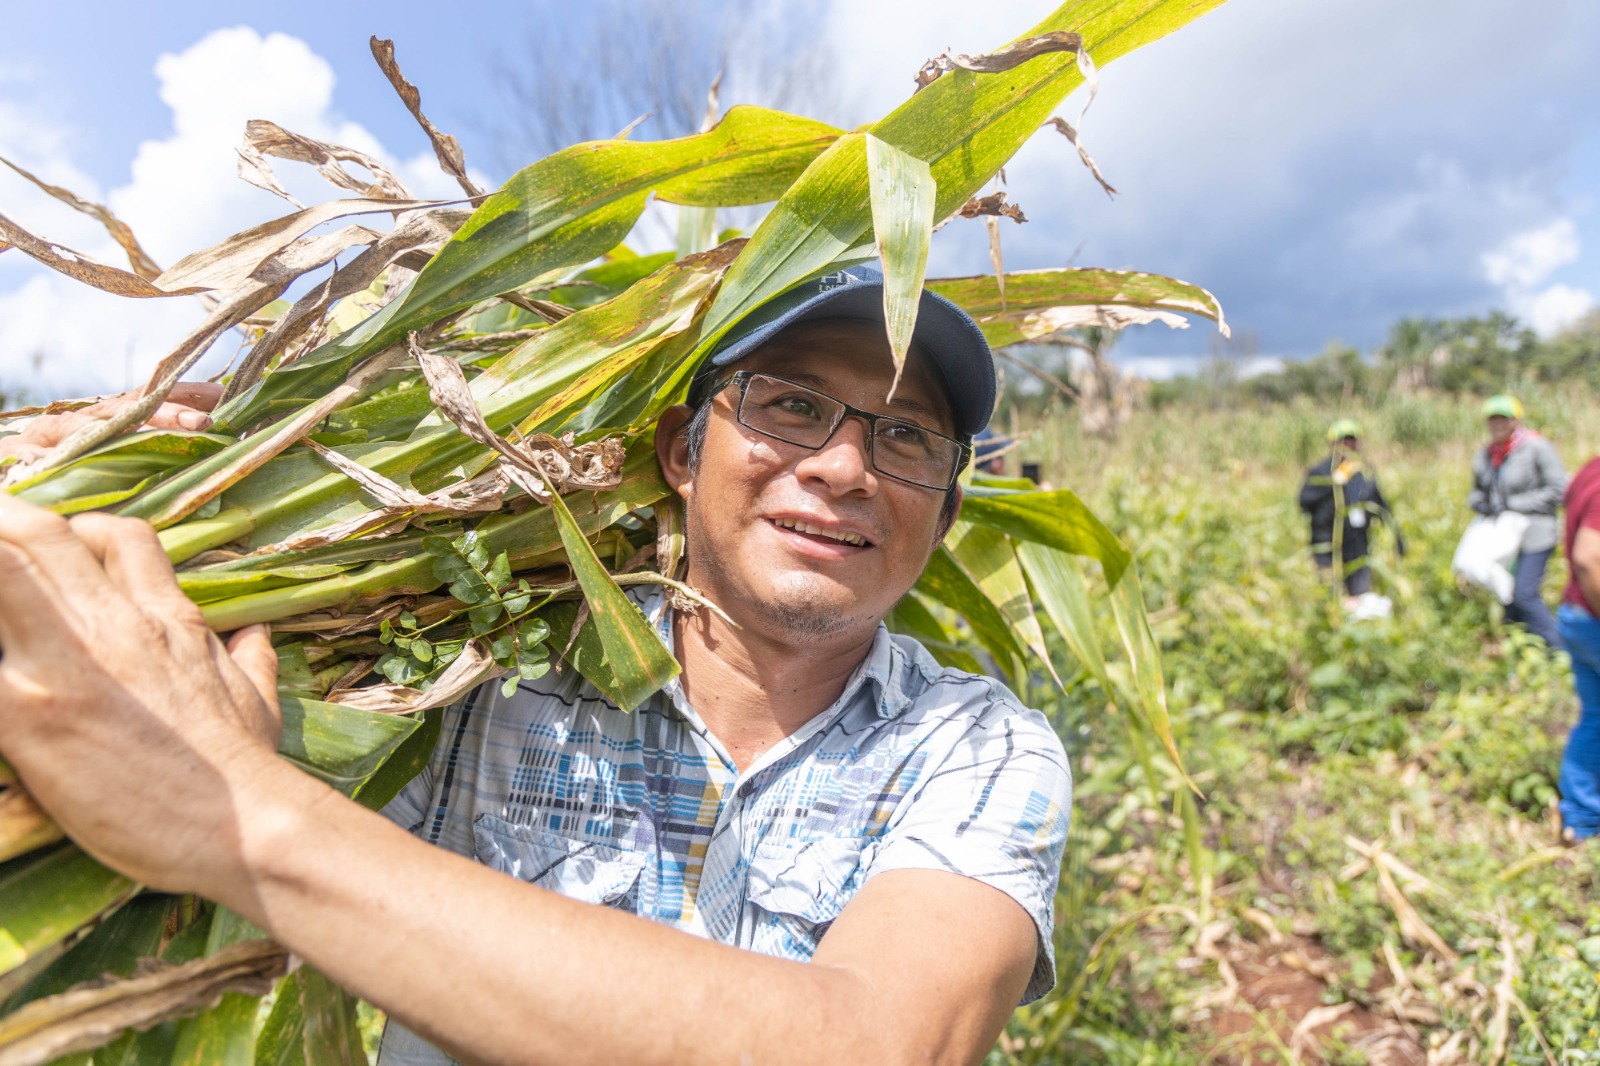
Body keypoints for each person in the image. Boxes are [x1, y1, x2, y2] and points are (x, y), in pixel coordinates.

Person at [0, 265, 1071, 1066]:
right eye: (790, 404)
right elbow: (108, 717)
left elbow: (883, 1046)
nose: (844, 467)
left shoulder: (976, 748)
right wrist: (132, 506)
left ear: (943, 510)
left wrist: (235, 816)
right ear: (681, 451)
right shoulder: (479, 665)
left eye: (907, 440)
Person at [1468, 394, 1567, 649]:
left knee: (1524, 593)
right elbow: (1478, 490)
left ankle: (1560, 650)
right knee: (1506, 595)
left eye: (1504, 418)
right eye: (1493, 419)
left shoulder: (1536, 448)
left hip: (1536, 533)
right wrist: (1480, 503)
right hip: (1503, 538)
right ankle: (1521, 652)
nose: (1498, 424)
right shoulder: (1486, 455)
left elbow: (1558, 489)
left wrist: (1515, 504)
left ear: (1515, 420)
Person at [1297, 418, 1399, 599]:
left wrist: (1397, 539)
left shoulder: (1364, 471)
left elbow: (1380, 505)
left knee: (1359, 597)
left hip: (1358, 546)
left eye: (1352, 439)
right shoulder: (1320, 471)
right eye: (1343, 440)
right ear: (1333, 443)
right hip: (1328, 545)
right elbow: (1304, 502)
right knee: (1331, 595)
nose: (1348, 444)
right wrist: (1332, 483)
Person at [1555, 455, 1600, 844]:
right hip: (1593, 615)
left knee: (1595, 716)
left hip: (1575, 614)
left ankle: (1582, 820)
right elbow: (1587, 557)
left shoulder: (1590, 469)